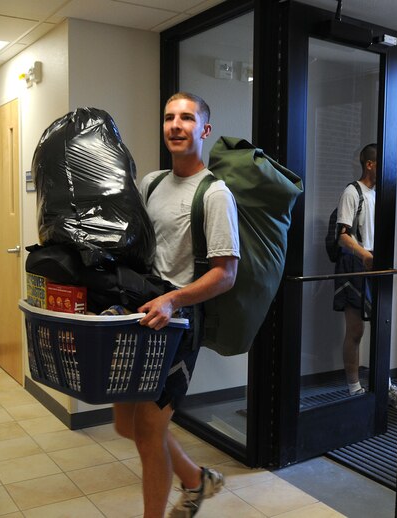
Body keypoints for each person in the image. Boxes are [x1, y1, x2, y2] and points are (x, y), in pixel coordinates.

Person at [112, 92, 239, 518]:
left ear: (204, 130)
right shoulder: (150, 183)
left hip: (178, 322)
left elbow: (225, 273)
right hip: (142, 314)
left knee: (149, 429)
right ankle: (197, 479)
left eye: (186, 118)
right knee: (125, 424)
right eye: (169, 117)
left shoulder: (214, 194)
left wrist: (172, 298)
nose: (175, 125)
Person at [334, 143, 397, 408]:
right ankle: (354, 389)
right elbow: (342, 235)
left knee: (381, 326)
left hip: (376, 263)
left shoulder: (382, 194)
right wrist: (364, 255)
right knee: (356, 329)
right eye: (382, 162)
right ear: (370, 164)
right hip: (356, 264)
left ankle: (383, 384)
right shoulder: (352, 192)